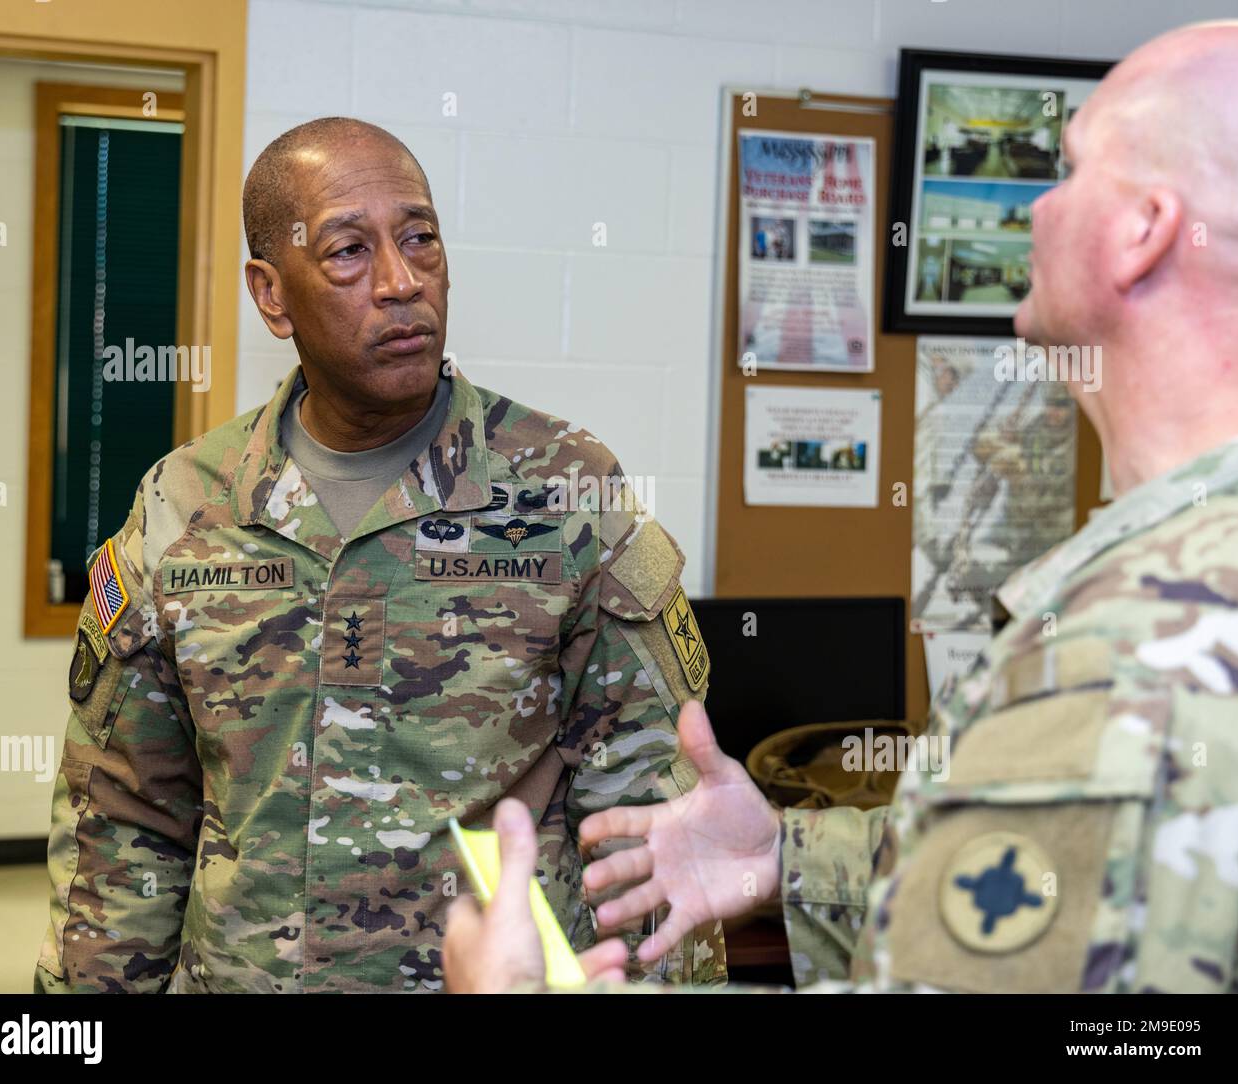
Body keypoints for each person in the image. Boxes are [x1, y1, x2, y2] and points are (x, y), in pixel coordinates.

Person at [442, 20, 1238, 995]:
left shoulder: (1134, 644)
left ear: (1143, 231)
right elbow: (1051, 887)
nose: (1034, 209)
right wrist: (784, 855)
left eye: (1070, 170)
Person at [35, 117, 725, 993]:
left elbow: (651, 820)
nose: (403, 284)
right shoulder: (183, 506)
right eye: (349, 252)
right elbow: (123, 818)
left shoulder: (568, 493)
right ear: (271, 293)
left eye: (420, 240)